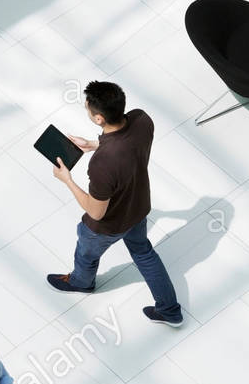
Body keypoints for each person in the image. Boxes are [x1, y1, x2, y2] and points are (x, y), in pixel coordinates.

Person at [45, 80, 184, 327]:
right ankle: (170, 311)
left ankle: (81, 282)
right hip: (138, 208)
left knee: (86, 251)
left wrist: (67, 179)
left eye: (88, 107)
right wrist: (95, 144)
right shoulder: (142, 119)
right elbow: (128, 145)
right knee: (144, 253)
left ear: (98, 118)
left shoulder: (102, 164)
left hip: (108, 226)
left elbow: (96, 212)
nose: (86, 109)